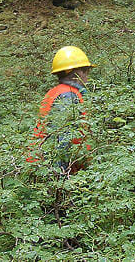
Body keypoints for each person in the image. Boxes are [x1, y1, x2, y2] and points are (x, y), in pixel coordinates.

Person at [27, 46, 94, 175]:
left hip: (47, 166)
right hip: (53, 171)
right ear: (79, 73)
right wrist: (61, 176)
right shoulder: (68, 96)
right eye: (86, 71)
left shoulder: (57, 92)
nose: (87, 77)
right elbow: (61, 141)